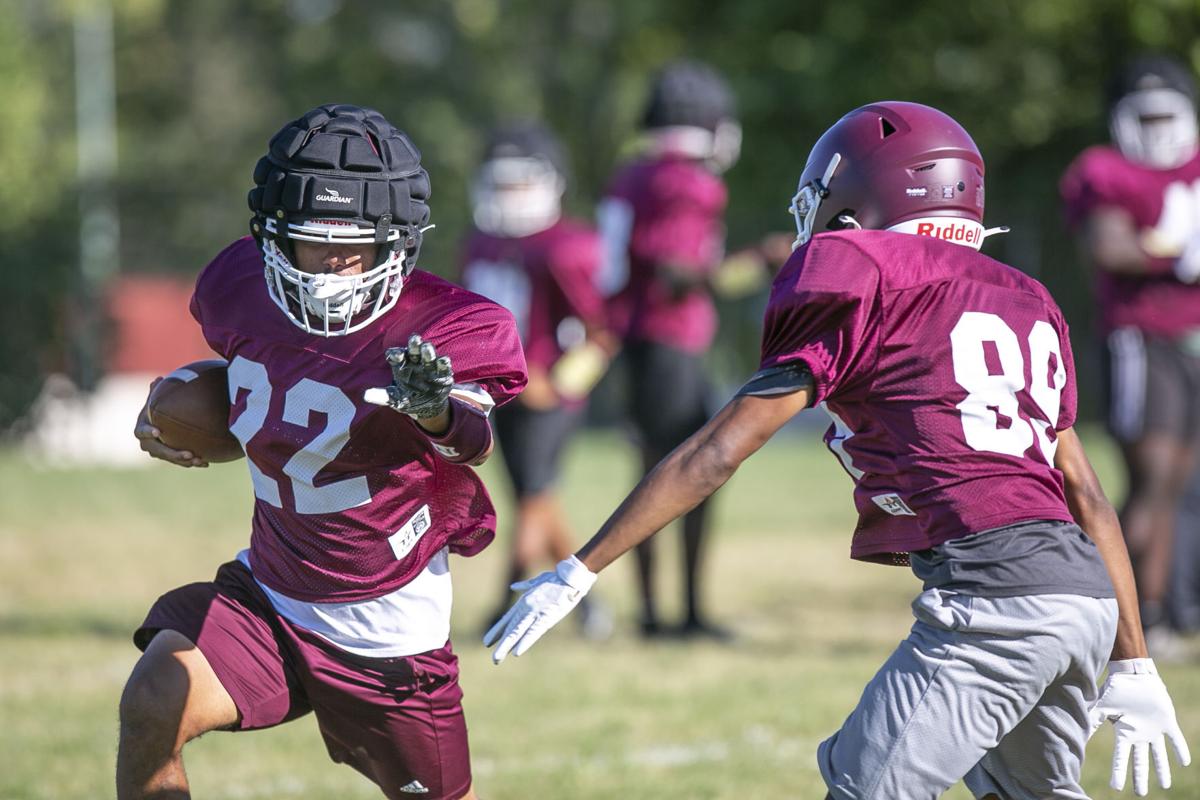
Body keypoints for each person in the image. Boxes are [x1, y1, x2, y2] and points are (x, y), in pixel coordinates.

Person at [487, 101, 1192, 799]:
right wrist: (1133, 661)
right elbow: (1088, 498)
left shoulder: (864, 272)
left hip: (993, 598)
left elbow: (718, 451)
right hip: (1083, 599)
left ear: (865, 199)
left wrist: (579, 569)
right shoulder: (1024, 295)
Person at [120, 104, 527, 800]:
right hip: (272, 593)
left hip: (385, 625)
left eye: (356, 246)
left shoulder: (448, 324)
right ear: (272, 238)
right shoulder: (239, 290)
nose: (334, 266)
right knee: (156, 696)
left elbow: (475, 442)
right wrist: (174, 412)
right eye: (312, 242)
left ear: (398, 243)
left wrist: (434, 411)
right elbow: (255, 385)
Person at [595, 59, 742, 638]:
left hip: (639, 340)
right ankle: (681, 614)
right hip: (669, 339)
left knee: (652, 471)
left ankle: (658, 612)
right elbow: (676, 272)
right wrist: (752, 265)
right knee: (691, 472)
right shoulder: (687, 181)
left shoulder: (633, 174)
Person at [1061, 55, 1200, 655]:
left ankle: (1162, 610)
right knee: (1151, 478)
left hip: (1192, 339)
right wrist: (1174, 254)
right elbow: (1112, 249)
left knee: (1182, 482)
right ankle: (1117, 613)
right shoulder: (1103, 170)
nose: (1158, 128)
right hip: (1139, 338)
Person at [459, 122, 614, 639]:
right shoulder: (481, 243)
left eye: (520, 184)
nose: (508, 196)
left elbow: (600, 332)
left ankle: (507, 598)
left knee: (531, 496)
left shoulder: (565, 244)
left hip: (545, 393)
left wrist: (561, 384)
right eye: (500, 183)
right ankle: (587, 604)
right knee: (536, 496)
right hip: (494, 391)